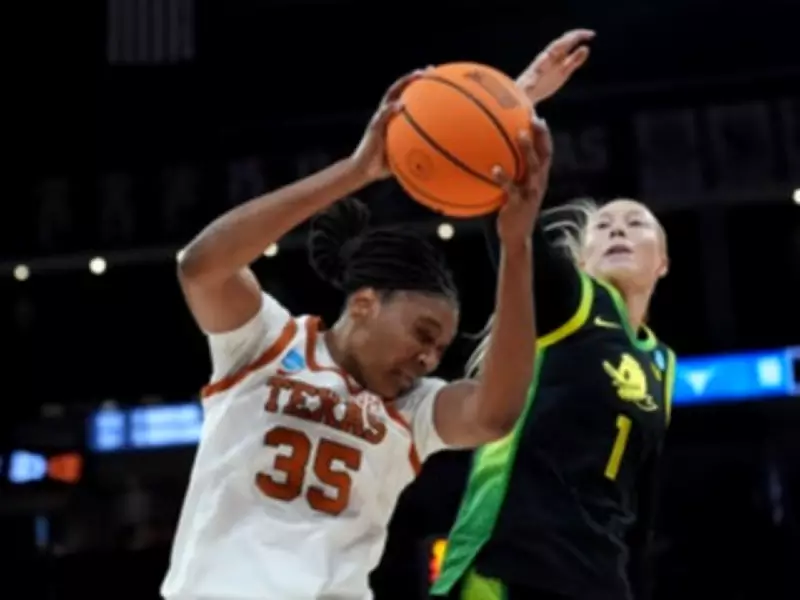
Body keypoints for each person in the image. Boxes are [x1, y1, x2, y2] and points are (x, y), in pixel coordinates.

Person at [160, 66, 554, 599]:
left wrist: (516, 246)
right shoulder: (267, 342)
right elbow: (200, 266)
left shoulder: (415, 410)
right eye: (422, 333)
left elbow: (496, 413)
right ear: (365, 303)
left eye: (439, 348)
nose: (428, 359)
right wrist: (354, 171)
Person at [431, 196, 677, 600]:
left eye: (636, 223)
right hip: (509, 566)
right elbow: (519, 244)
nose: (617, 229)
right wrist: (501, 186)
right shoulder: (574, 302)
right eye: (602, 226)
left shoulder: (662, 363)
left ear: (662, 262)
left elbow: (641, 503)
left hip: (600, 579)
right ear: (582, 261)